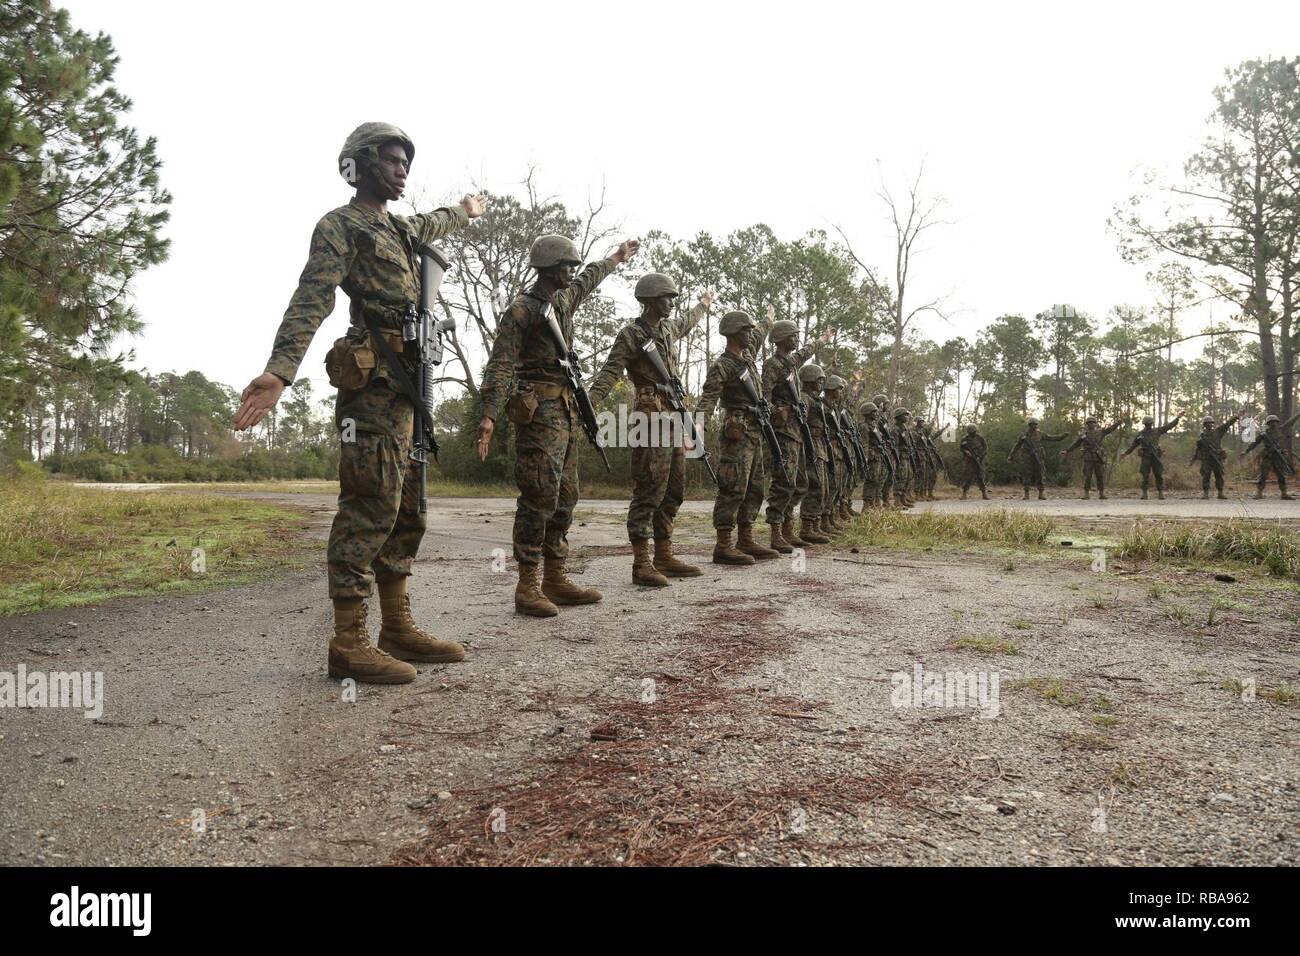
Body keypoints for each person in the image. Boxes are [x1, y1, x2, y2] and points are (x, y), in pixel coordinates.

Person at [233, 122, 487, 685]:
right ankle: (348, 642)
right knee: (368, 505)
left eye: (406, 163)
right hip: (370, 392)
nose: (403, 170)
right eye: (393, 161)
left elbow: (434, 220)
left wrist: (466, 209)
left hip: (409, 391)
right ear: (361, 164)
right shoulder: (340, 225)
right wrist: (280, 371)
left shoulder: (399, 227)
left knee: (408, 507)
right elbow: (313, 296)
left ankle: (396, 627)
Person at [476, 234, 640, 616]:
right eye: (568, 265)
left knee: (566, 496)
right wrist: (489, 416)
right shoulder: (522, 310)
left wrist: (616, 256)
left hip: (565, 411)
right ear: (549, 267)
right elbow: (500, 364)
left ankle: (555, 577)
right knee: (538, 495)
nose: (574, 271)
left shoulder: (564, 299)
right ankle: (527, 585)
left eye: (574, 265)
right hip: (538, 414)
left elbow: (591, 277)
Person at [586, 278, 714, 585]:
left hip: (673, 417)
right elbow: (611, 371)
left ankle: (664, 556)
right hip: (649, 419)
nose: (671, 303)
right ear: (652, 299)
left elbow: (687, 321)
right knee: (649, 490)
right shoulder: (631, 334)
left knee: (674, 490)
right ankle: (641, 563)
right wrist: (588, 402)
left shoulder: (668, 329)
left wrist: (704, 305)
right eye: (667, 298)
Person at [695, 309, 776, 563]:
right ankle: (723, 545)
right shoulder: (723, 365)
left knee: (754, 487)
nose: (751, 335)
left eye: (751, 330)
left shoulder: (749, 357)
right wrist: (698, 425)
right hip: (737, 432)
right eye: (746, 331)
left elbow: (760, 334)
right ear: (733, 333)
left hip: (755, 430)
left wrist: (768, 321)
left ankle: (746, 539)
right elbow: (708, 397)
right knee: (733, 487)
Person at [761, 320, 830, 552]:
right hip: (782, 432)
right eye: (793, 336)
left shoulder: (790, 363)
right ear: (781, 338)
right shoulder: (772, 365)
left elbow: (805, 352)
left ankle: (788, 529)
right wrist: (781, 411)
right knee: (784, 483)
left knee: (800, 483)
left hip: (796, 432)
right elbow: (763, 398)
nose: (796, 339)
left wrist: (821, 341)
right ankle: (776, 532)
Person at [1120, 411, 1184, 500]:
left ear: (1151, 424)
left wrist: (1178, 418)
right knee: (1145, 475)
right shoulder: (1140, 434)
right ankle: (1145, 493)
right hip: (1145, 457)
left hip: (1155, 456)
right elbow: (1133, 445)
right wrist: (1126, 453)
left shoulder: (1157, 430)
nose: (1148, 425)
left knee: (1158, 475)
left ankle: (1160, 493)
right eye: (1147, 424)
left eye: (1149, 424)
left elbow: (1169, 426)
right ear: (1144, 424)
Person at [1239, 412, 1300, 500]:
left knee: (1281, 475)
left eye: (1275, 422)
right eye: (1271, 422)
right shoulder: (1264, 434)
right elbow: (1255, 443)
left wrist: (1298, 414)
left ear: (1277, 422)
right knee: (1263, 474)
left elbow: (1290, 421)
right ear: (1268, 423)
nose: (1273, 424)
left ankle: (1284, 493)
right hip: (1268, 456)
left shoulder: (1281, 429)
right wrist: (1246, 451)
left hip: (1278, 456)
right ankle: (1259, 492)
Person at [1061, 417, 1123, 499]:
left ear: (1095, 423)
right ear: (1087, 424)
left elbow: (1110, 429)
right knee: (1087, 476)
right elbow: (1076, 444)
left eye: (1093, 422)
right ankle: (1086, 494)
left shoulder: (1100, 432)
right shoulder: (1084, 435)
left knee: (1100, 476)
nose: (1091, 424)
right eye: (1089, 423)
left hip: (1098, 457)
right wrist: (1067, 450)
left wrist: (1118, 422)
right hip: (1088, 457)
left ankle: (1101, 493)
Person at [1008, 417, 1068, 500]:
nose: (1034, 426)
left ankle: (1041, 493)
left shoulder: (1040, 434)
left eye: (1035, 425)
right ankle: (1026, 493)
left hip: (1038, 456)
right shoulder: (1024, 435)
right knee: (1026, 474)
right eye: (1032, 425)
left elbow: (1052, 438)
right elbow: (1017, 445)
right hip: (1027, 457)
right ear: (1029, 425)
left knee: (1040, 473)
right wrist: (1011, 456)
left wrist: (1062, 436)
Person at [1190, 412, 1242, 499]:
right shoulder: (1201, 436)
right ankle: (1206, 493)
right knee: (1206, 475)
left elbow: (1227, 424)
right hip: (1206, 459)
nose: (1210, 424)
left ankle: (1220, 493)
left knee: (1219, 475)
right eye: (1208, 423)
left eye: (1211, 423)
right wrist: (1194, 459)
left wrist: (1236, 417)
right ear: (1204, 425)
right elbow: (1198, 449)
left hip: (1217, 457)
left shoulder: (1218, 432)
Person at [959, 423, 989, 500]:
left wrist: (980, 456)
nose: (972, 432)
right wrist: (966, 452)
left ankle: (984, 494)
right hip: (969, 461)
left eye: (973, 430)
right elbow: (961, 448)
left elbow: (985, 448)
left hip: (979, 460)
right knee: (968, 477)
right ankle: (964, 493)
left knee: (981, 477)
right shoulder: (965, 439)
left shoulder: (980, 438)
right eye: (971, 431)